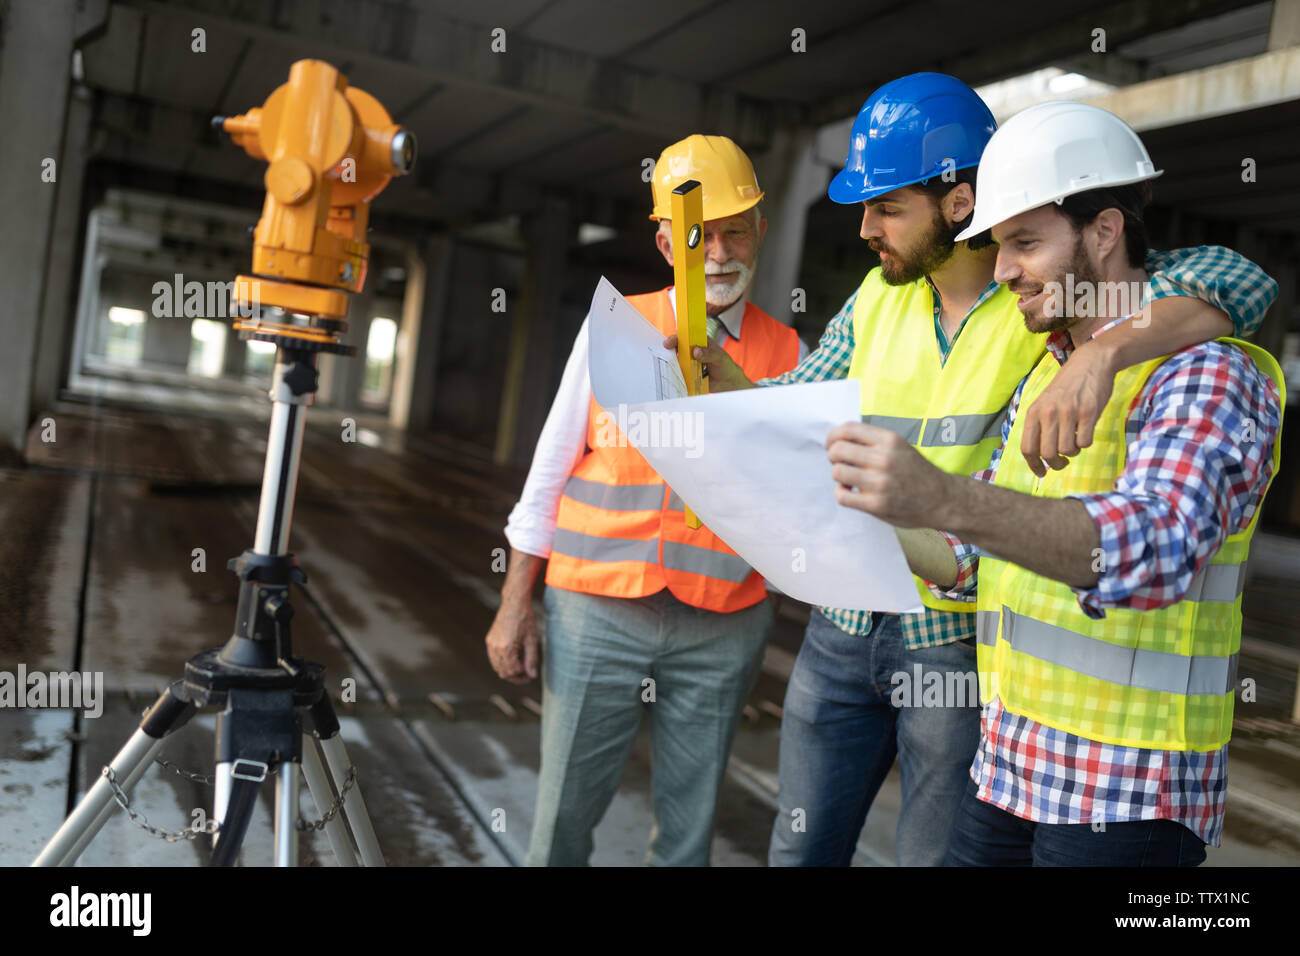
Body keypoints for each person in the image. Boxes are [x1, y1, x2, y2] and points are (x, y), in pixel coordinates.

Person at [678, 74, 1277, 866]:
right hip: (942, 690)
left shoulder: (1077, 329)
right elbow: (814, 420)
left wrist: (1104, 351)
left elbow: (1240, 284)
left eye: (888, 206)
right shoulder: (891, 304)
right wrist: (737, 404)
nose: (866, 229)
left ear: (958, 203)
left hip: (1057, 733)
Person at [485, 134, 805, 866]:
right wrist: (514, 605)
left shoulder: (791, 354)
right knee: (562, 819)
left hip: (723, 627)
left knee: (688, 838)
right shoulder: (614, 328)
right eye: (699, 236)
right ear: (667, 243)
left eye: (734, 232)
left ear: (759, 232)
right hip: (596, 612)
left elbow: (798, 498)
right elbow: (548, 473)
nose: (718, 253)